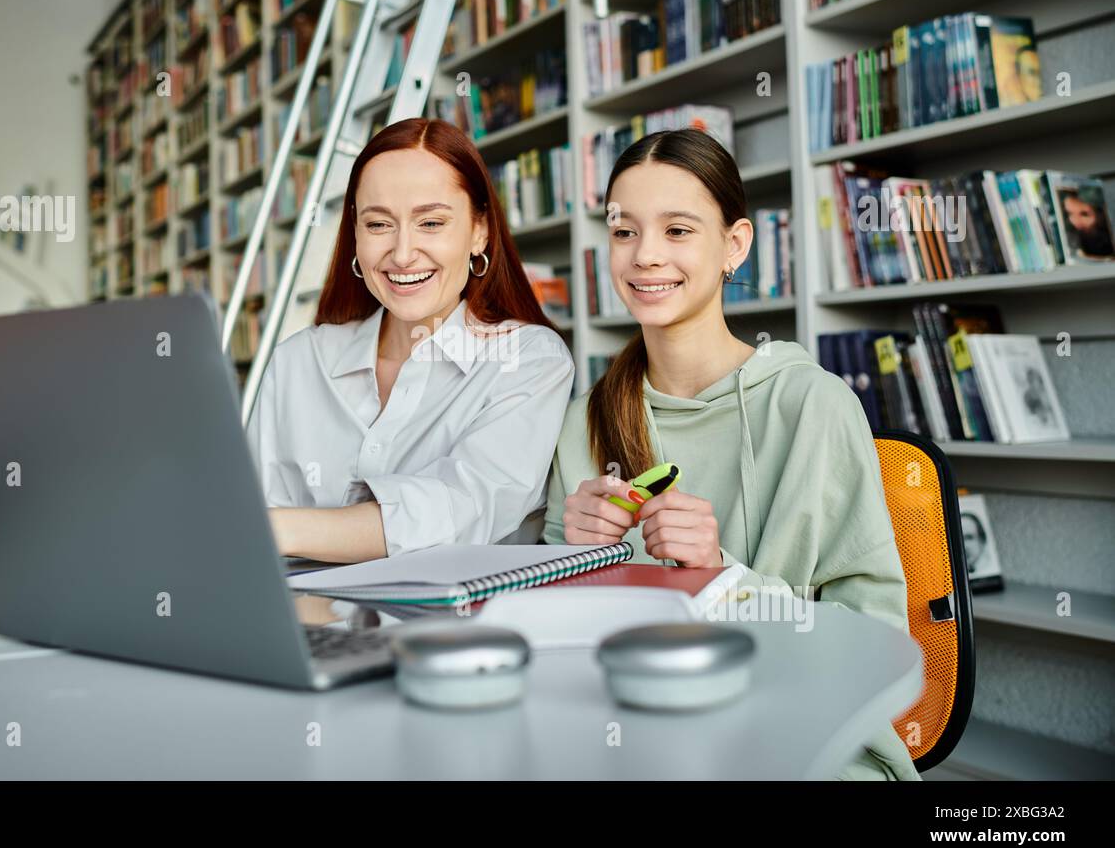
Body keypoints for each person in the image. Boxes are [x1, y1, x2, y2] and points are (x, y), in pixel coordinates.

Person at [542, 127, 919, 781]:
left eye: (678, 230)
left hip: (808, 747)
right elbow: (559, 648)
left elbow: (877, 646)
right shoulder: (584, 422)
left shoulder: (814, 406)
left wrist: (722, 578)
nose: (644, 256)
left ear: (735, 246)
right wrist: (571, 561)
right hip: (636, 742)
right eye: (624, 231)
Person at [248, 117, 574, 563]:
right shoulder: (298, 361)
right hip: (304, 627)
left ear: (480, 230)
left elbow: (465, 510)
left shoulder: (529, 359)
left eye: (431, 223)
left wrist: (273, 528)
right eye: (379, 224)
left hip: (458, 630)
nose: (402, 254)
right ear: (356, 234)